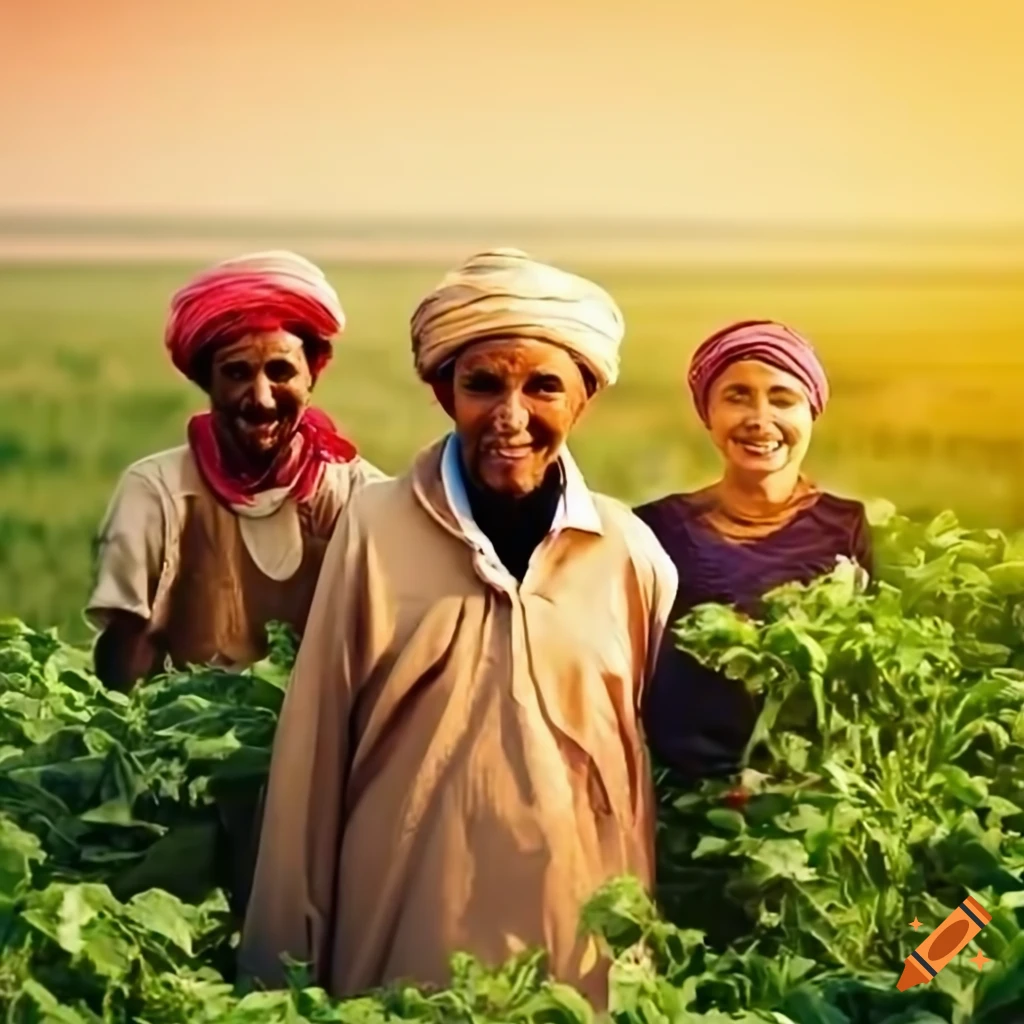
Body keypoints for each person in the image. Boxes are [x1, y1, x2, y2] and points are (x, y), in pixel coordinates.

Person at [238, 248, 678, 1007]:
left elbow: (649, 771)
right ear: (445, 392)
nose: (510, 417)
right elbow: (312, 756)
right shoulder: (374, 528)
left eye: (543, 386)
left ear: (585, 399)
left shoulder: (628, 551)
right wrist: (279, 977)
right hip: (399, 940)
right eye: (483, 385)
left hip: (580, 957)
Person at [85, 250, 386, 689]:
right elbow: (123, 657)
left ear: (311, 378)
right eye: (237, 372)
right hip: (183, 739)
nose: (261, 397)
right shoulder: (156, 492)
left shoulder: (359, 492)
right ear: (207, 381)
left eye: (281, 372)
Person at [634, 319, 872, 785]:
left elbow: (861, 676)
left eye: (783, 399)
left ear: (811, 413)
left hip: (810, 798)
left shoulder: (846, 526)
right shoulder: (654, 528)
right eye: (737, 397)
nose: (760, 420)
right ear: (708, 414)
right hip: (680, 798)